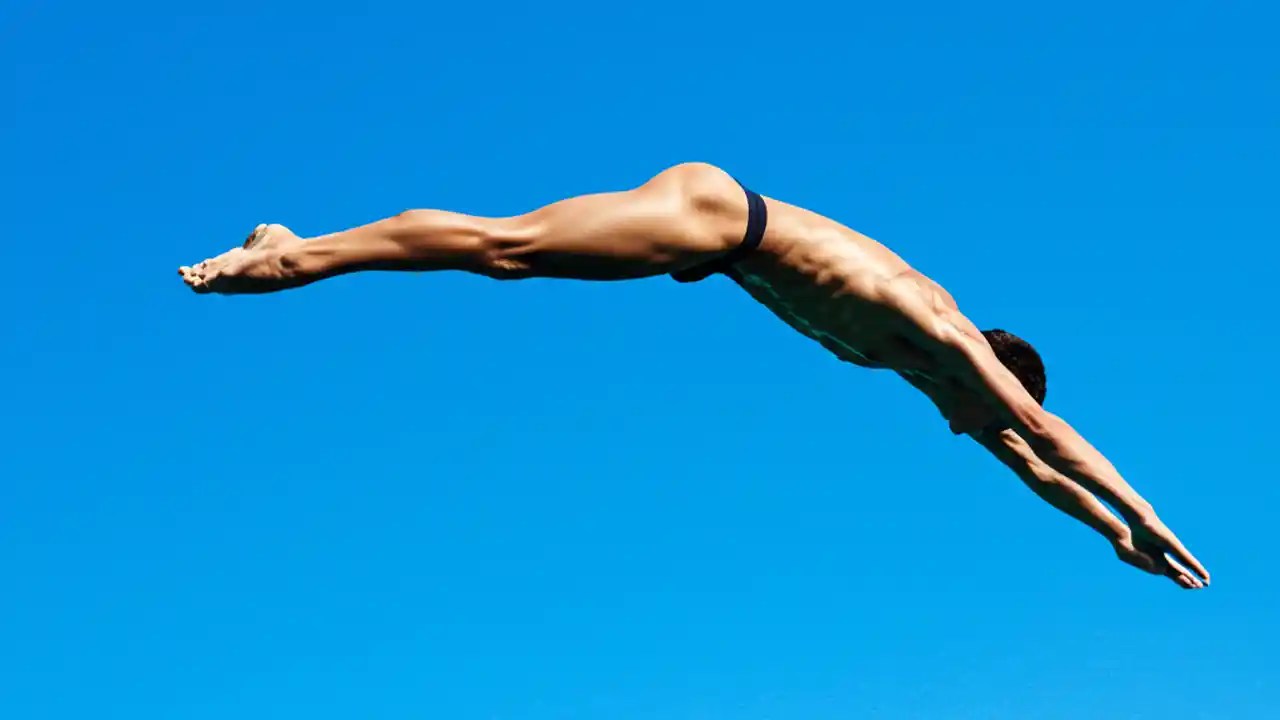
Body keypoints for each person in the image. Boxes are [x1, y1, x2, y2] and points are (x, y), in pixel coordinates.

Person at [178, 162, 1209, 589]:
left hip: (718, 252)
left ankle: (302, 248)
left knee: (512, 255)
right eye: (988, 409)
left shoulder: (932, 379)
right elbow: (1046, 438)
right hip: (720, 220)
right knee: (506, 249)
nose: (978, 426)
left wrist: (1107, 535)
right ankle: (297, 248)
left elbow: (1026, 464)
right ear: (992, 369)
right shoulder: (938, 339)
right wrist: (1148, 512)